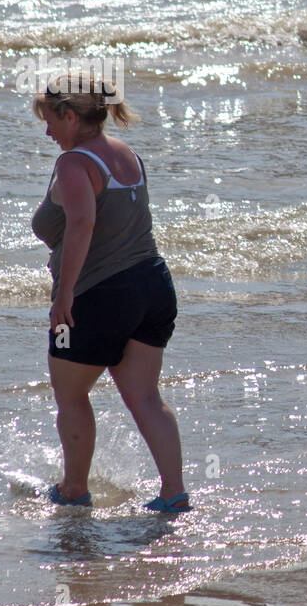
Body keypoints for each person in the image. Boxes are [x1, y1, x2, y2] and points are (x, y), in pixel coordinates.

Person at [30, 81, 190, 512]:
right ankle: (173, 494)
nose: (48, 134)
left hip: (100, 295)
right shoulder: (127, 155)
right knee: (146, 397)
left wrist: (64, 297)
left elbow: (81, 224)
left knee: (71, 397)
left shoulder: (74, 163)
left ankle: (75, 491)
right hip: (153, 286)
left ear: (70, 116)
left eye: (50, 122)